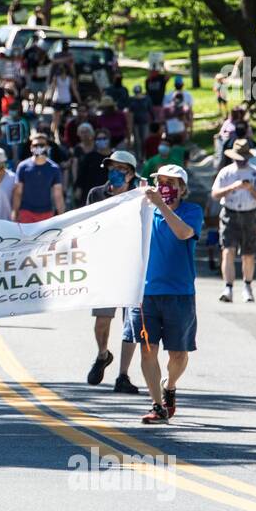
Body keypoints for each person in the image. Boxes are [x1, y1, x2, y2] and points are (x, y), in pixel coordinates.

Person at [124, 165, 203, 424]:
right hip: (145, 294)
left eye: (172, 182)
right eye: (161, 181)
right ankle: (157, 405)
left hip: (179, 293)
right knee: (148, 350)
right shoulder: (144, 211)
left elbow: (183, 233)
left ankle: (170, 386)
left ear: (182, 188)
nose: (165, 185)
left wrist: (162, 206)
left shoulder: (192, 211)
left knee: (178, 354)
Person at [85, 151, 142, 394]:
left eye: (121, 169)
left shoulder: (140, 196)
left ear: (131, 173)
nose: (115, 173)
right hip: (105, 266)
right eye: (112, 168)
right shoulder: (96, 194)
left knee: (130, 324)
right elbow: (85, 224)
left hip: (132, 266)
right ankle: (102, 355)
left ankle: (123, 375)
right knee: (101, 322)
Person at [211, 139, 256, 303]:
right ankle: (228, 287)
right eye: (238, 157)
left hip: (249, 213)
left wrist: (251, 189)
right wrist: (232, 187)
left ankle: (247, 286)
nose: (241, 160)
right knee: (228, 250)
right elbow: (215, 194)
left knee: (248, 254)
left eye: (243, 157)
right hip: (230, 213)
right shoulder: (226, 172)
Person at [13, 133, 65, 222]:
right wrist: (14, 213)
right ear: (31, 147)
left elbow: (58, 195)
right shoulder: (22, 167)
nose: (38, 147)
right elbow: (18, 192)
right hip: (26, 213)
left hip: (46, 213)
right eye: (35, 145)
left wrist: (63, 218)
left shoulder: (54, 168)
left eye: (41, 145)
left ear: (47, 147)